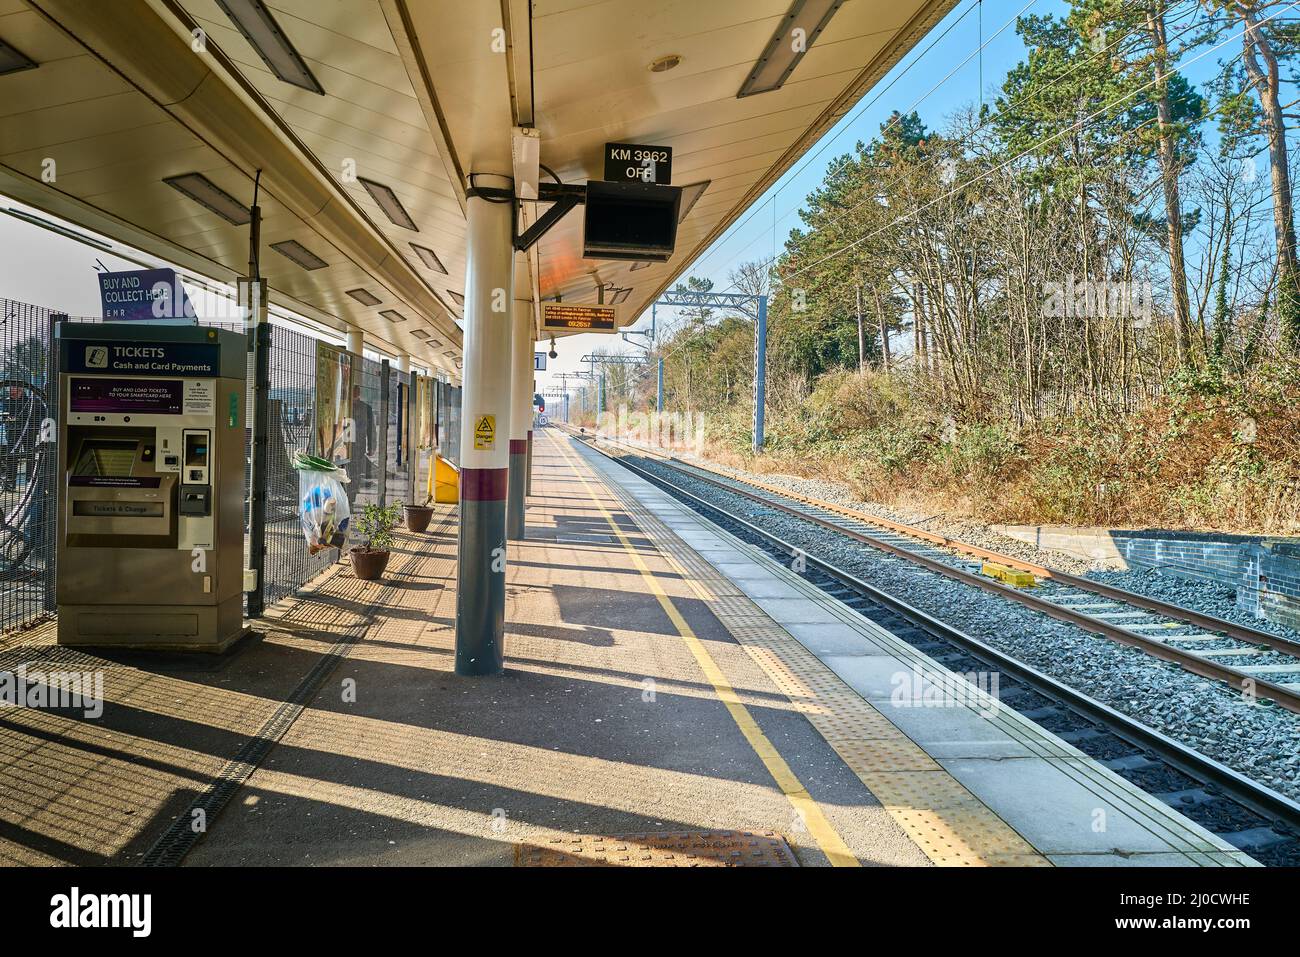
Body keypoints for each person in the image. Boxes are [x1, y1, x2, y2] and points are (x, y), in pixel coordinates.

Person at [349, 385, 376, 483]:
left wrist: (371, 447)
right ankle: (354, 485)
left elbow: (371, 429)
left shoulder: (366, 408)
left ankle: (355, 485)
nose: (355, 394)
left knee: (356, 468)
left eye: (356, 392)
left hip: (358, 445)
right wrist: (371, 447)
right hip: (348, 445)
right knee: (352, 468)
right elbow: (371, 429)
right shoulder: (345, 406)